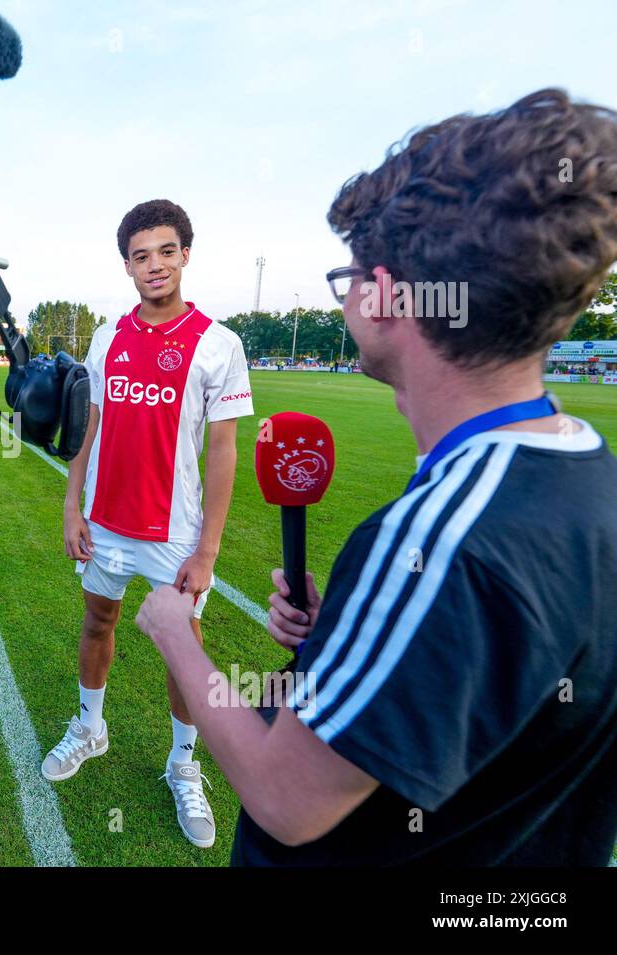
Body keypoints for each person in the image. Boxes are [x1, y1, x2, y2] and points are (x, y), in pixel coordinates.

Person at [136, 89, 617, 865]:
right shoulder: (588, 474)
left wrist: (174, 637)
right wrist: (346, 640)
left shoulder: (442, 538)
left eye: (349, 274)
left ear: (389, 294)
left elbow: (287, 797)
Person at [45, 199, 253, 848]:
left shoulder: (219, 346)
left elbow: (224, 452)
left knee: (181, 651)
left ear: (186, 254)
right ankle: (90, 727)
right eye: (141, 255)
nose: (154, 264)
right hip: (105, 524)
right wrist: (71, 502)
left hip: (176, 536)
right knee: (97, 621)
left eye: (166, 250)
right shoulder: (107, 337)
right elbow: (89, 424)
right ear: (127, 266)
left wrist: (208, 550)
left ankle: (183, 764)